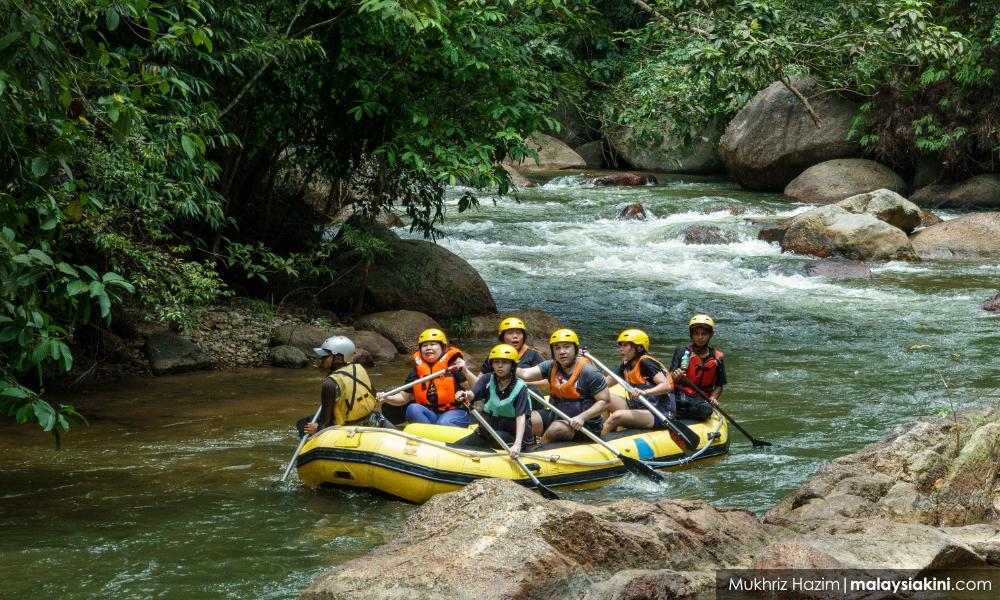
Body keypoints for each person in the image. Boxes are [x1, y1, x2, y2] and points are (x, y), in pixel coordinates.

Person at [517, 328, 610, 443]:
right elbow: (525, 374)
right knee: (528, 418)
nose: (562, 351)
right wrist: (506, 366)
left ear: (575, 349)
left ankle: (538, 448)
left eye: (566, 347)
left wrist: (582, 417)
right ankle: (525, 444)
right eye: (557, 348)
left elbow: (605, 402)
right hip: (556, 416)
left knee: (556, 428)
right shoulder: (551, 366)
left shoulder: (589, 372)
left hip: (584, 426)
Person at [378, 328, 471, 427]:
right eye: (425, 345)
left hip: (454, 412)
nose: (428, 348)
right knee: (412, 409)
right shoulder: (416, 372)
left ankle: (437, 433)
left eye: (433, 344)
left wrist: (465, 372)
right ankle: (430, 434)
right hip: (430, 414)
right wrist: (387, 398)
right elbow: (403, 398)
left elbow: (471, 389)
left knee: (443, 422)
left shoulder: (453, 367)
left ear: (443, 347)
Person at [454, 344, 534, 457]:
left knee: (491, 437)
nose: (499, 366)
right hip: (488, 431)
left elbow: (521, 417)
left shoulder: (520, 387)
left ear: (512, 365)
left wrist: (517, 444)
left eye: (505, 362)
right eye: (496, 362)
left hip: (511, 434)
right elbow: (472, 394)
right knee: (458, 446)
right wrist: (464, 394)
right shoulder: (487, 378)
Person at [299, 336, 379, 436]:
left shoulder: (329, 384)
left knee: (302, 425)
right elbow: (374, 395)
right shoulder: (359, 368)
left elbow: (325, 422)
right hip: (370, 419)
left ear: (338, 358)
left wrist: (317, 428)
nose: (321, 359)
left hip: (345, 428)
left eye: (325, 356)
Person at [600, 329, 675, 435]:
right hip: (638, 406)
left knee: (617, 416)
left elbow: (666, 386)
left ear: (638, 348)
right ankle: (606, 430)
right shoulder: (626, 365)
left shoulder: (646, 362)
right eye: (621, 345)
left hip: (658, 413)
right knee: (603, 398)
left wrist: (645, 392)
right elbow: (605, 383)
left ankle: (601, 438)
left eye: (625, 345)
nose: (621, 349)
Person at [669, 314, 726, 421]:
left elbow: (719, 385)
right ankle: (677, 411)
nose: (700, 337)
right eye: (696, 334)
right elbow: (669, 377)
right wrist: (674, 375)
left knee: (706, 410)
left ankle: (680, 414)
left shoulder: (717, 358)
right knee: (667, 400)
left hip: (701, 399)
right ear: (691, 335)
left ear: (710, 335)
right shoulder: (681, 351)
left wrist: (713, 398)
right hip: (680, 395)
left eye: (704, 334)